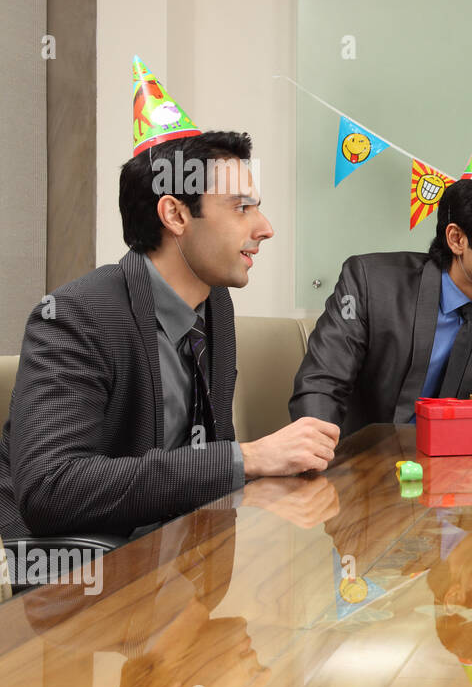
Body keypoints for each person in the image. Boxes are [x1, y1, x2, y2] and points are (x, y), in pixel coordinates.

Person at [0, 57, 339, 541]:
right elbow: (52, 490)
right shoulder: (75, 317)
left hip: (180, 563)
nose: (264, 228)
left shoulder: (215, 302)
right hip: (75, 575)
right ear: (175, 215)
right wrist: (247, 457)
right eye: (242, 207)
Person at [291, 106, 472, 436]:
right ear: (457, 239)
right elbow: (321, 387)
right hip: (362, 466)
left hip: (462, 470)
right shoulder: (370, 283)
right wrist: (323, 458)